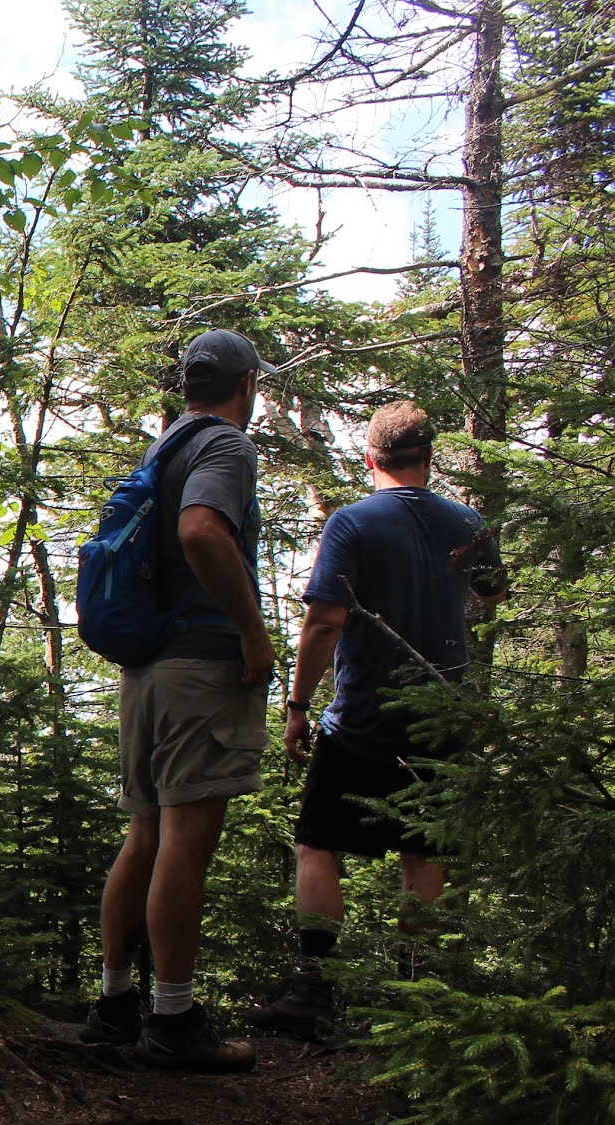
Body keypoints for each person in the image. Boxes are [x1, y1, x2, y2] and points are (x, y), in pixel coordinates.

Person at [246, 401, 507, 1039]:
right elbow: (495, 590)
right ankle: (414, 998)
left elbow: (325, 621)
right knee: (422, 852)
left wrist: (298, 705)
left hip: (361, 715)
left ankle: (314, 992)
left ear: (370, 458)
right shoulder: (466, 521)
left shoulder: (352, 524)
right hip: (441, 719)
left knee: (318, 842)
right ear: (428, 457)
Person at [79, 329, 275, 1073]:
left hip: (147, 670)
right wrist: (252, 632)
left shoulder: (162, 448)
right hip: (199, 667)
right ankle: (173, 1019)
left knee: (145, 833)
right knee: (186, 837)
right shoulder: (225, 447)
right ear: (247, 384)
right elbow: (201, 531)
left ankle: (115, 1003)